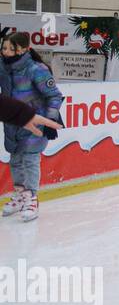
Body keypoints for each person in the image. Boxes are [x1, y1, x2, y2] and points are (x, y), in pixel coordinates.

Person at [1, 33, 64, 222]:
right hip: (12, 121)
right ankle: (20, 194)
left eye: (10, 48)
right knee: (15, 159)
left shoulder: (36, 69)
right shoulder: (4, 69)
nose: (5, 52)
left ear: (24, 49)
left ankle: (31, 198)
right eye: (3, 48)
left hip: (35, 121)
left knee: (30, 160)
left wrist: (51, 120)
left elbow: (54, 95)